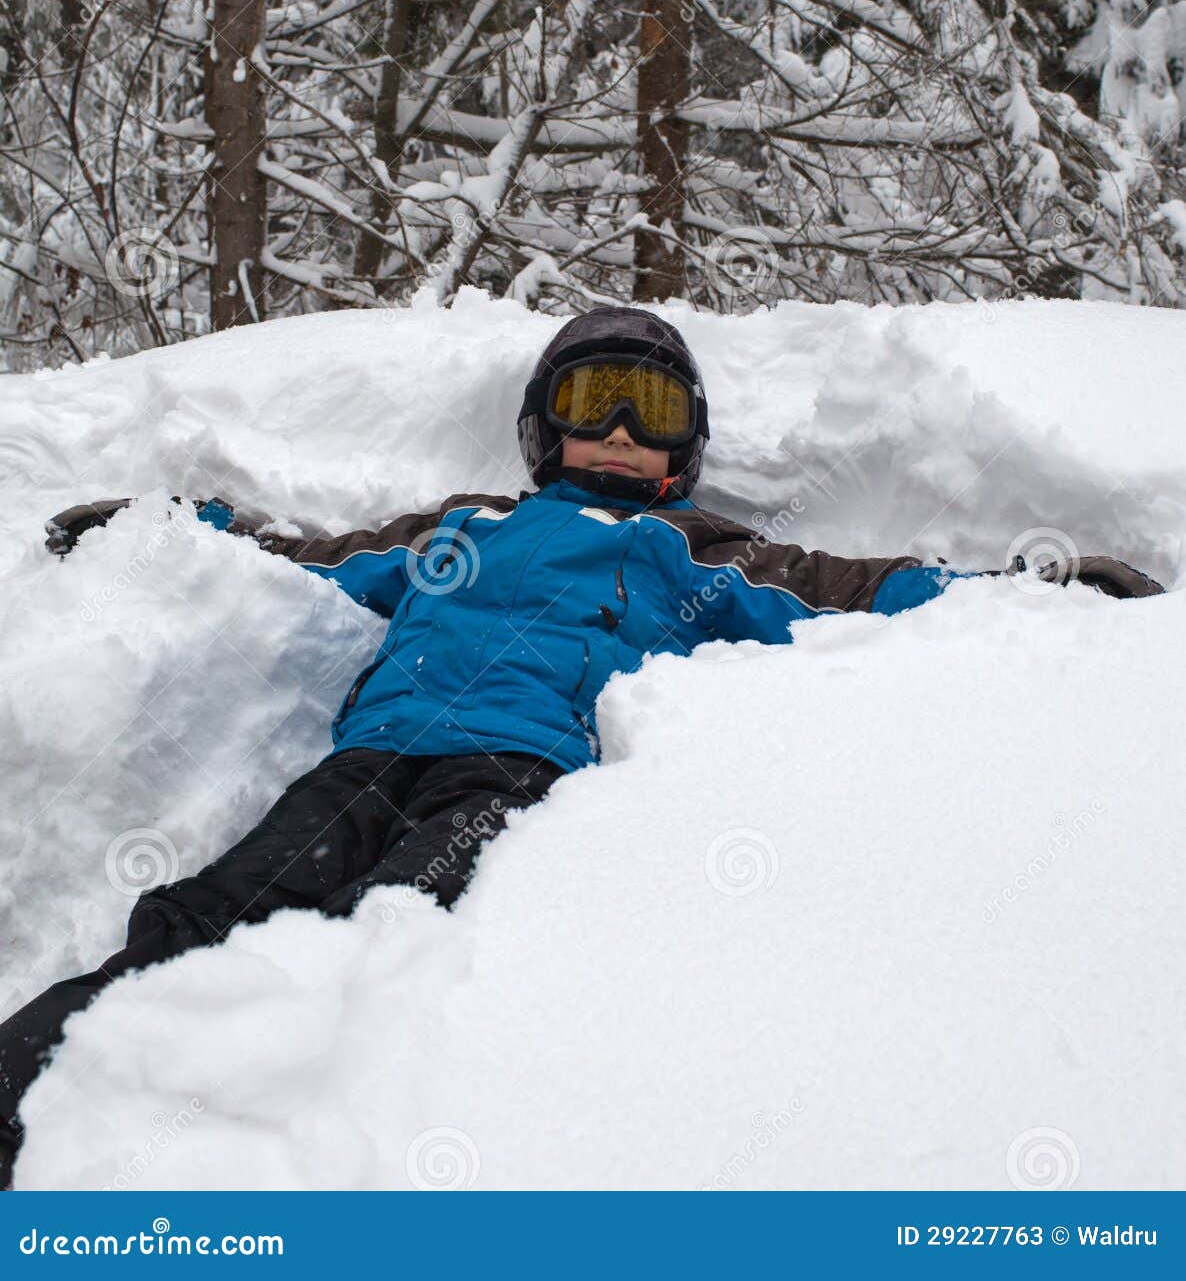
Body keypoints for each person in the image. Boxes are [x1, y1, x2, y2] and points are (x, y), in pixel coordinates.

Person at [0, 306, 1161, 1187]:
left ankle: (261, 1160)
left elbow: (860, 593)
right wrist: (170, 531)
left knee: (383, 932)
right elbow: (308, 556)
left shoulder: (695, 551)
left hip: (512, 777)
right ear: (542, 427)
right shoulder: (465, 529)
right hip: (364, 760)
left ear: (681, 450)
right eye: (594, 400)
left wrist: (1032, 589)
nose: (614, 431)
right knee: (207, 910)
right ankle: (36, 1089)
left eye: (645, 412)